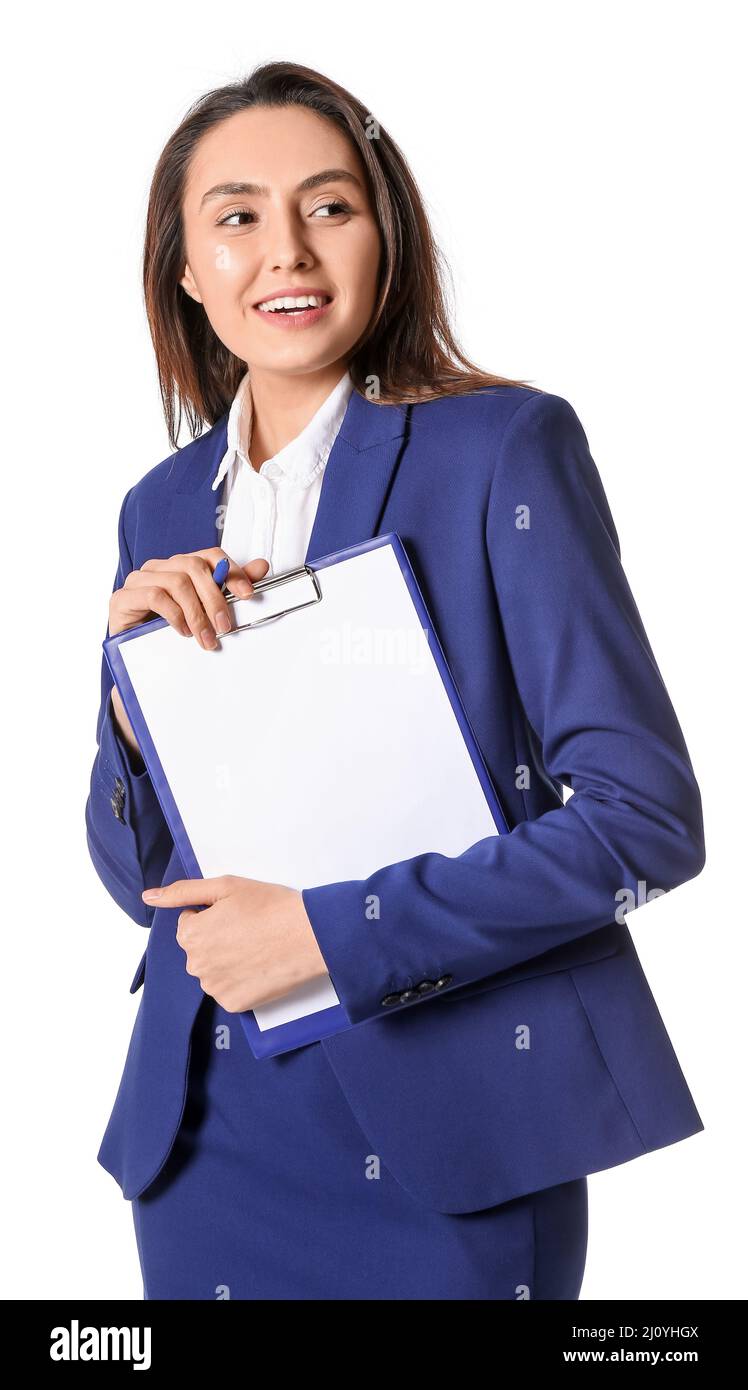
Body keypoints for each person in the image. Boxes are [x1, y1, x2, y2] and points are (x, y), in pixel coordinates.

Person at [86, 61, 706, 1301]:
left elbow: (645, 821)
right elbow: (141, 883)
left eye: (329, 206)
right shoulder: (159, 506)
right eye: (237, 217)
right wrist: (130, 722)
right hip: (209, 1137)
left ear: (386, 233)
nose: (286, 254)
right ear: (185, 269)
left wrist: (325, 932)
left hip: (450, 1143)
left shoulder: (501, 448)